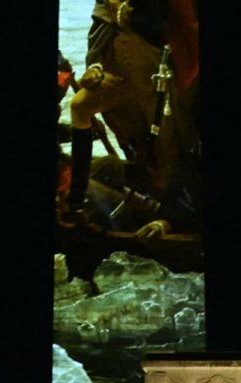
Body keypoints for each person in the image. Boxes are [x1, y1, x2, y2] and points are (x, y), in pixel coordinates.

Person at [65, 0, 201, 239]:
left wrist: (126, 11)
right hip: (117, 74)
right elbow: (98, 31)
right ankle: (75, 200)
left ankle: (171, 215)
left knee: (167, 146)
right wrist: (94, 66)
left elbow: (162, 28)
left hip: (154, 75)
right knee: (79, 107)